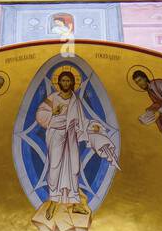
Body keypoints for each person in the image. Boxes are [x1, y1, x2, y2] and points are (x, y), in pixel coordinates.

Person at [34, 67, 118, 205]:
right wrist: (53, 113)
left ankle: (73, 194)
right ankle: (54, 194)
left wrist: (92, 126)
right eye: (63, 81)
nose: (65, 83)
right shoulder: (53, 98)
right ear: (59, 83)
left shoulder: (75, 100)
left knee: (74, 164)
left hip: (71, 135)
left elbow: (81, 120)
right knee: (55, 164)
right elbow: (40, 115)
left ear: (72, 83)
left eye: (68, 81)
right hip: (55, 134)